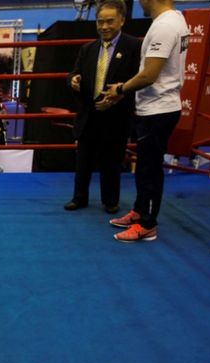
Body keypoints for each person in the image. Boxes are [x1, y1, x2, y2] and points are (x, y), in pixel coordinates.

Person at [101, 0, 188, 242]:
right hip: (156, 106)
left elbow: (150, 74)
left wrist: (120, 89)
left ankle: (148, 224)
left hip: (159, 109)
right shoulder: (173, 20)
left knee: (150, 168)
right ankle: (140, 212)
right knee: (145, 166)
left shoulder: (165, 25)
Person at [64, 0, 140, 214]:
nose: (104, 26)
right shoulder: (88, 48)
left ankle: (110, 201)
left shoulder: (133, 46)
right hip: (89, 112)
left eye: (109, 21)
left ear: (122, 20)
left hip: (117, 114)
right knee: (83, 161)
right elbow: (72, 74)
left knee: (112, 160)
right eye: (100, 21)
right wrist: (74, 81)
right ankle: (79, 198)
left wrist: (117, 98)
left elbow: (139, 81)